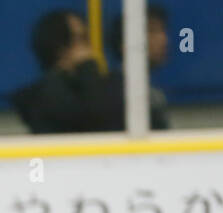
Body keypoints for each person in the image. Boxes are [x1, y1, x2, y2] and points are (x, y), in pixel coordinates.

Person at [12, 6, 169, 133]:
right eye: (80, 40)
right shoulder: (43, 96)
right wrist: (88, 68)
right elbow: (97, 118)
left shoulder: (102, 87)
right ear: (59, 48)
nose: (88, 51)